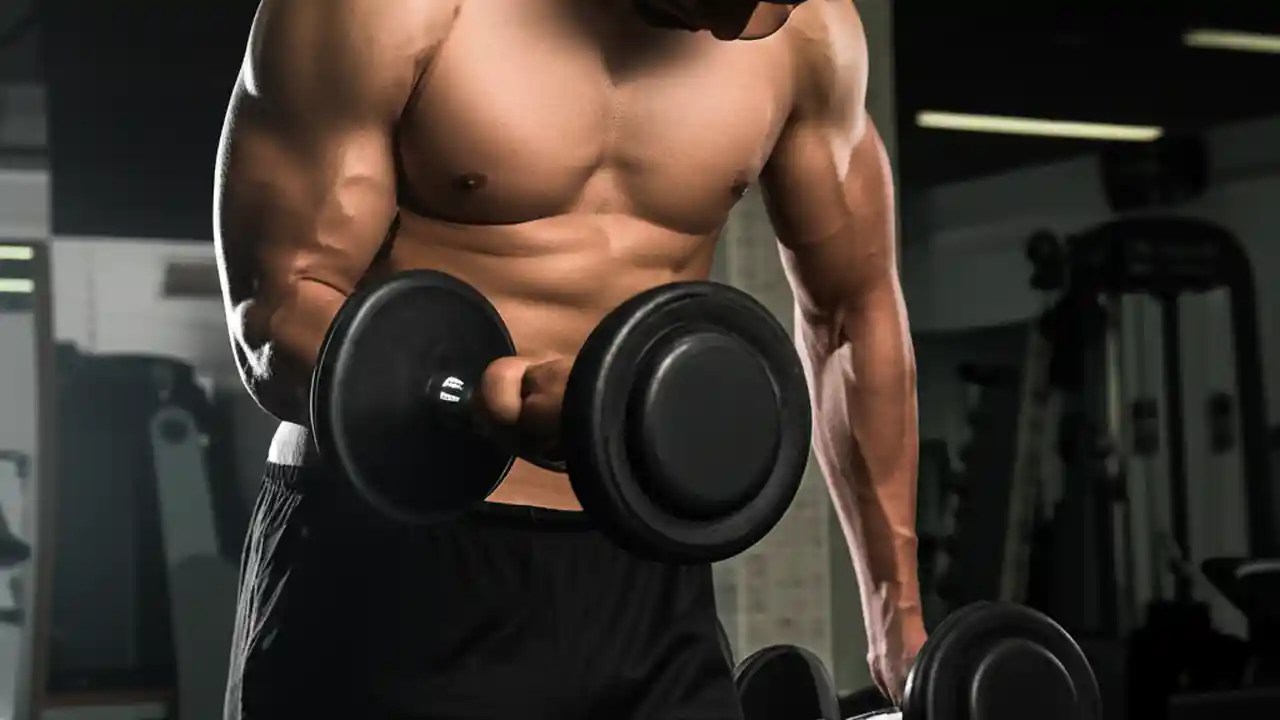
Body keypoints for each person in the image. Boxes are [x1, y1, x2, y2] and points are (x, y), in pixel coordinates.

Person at [214, 0, 925, 717]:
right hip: (385, 555)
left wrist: (897, 609)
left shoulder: (810, 34)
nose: (743, 20)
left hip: (645, 568)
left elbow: (850, 316)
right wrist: (484, 399)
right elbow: (275, 317)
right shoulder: (385, 11)